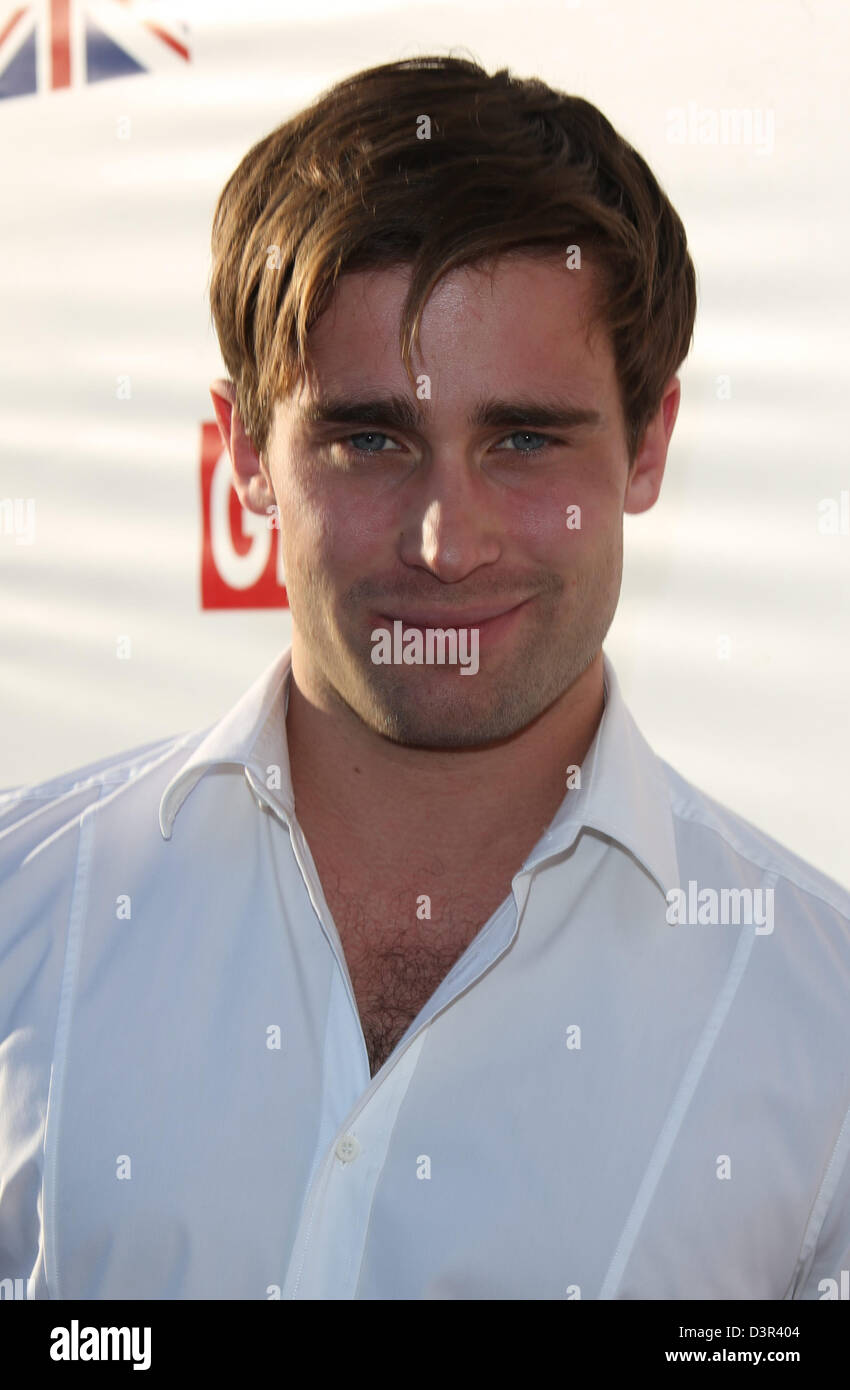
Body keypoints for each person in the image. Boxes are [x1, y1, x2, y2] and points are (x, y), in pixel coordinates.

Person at [1, 55, 848, 1303]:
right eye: (369, 437)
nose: (447, 543)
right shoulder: (24, 915)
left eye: (521, 439)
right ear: (245, 452)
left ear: (649, 443)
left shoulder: (819, 1027)